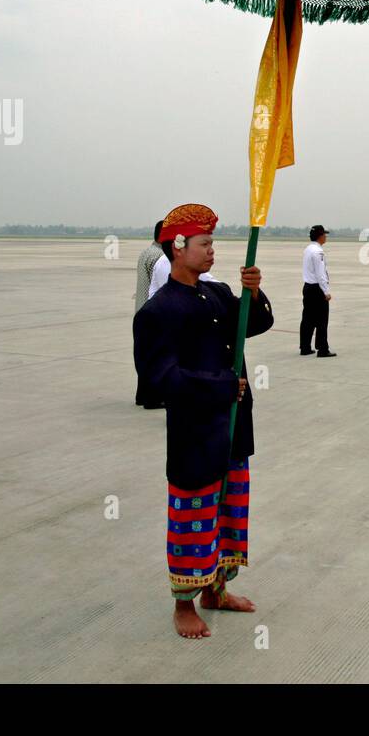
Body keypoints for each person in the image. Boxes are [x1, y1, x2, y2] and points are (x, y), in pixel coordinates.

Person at [133, 203, 274, 640]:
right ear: (178, 248)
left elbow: (258, 324)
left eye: (213, 243)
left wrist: (253, 291)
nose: (212, 251)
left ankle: (216, 591)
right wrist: (219, 388)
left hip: (233, 429)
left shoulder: (216, 294)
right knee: (193, 517)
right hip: (196, 433)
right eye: (205, 243)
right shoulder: (158, 312)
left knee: (229, 515)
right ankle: (183, 604)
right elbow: (159, 379)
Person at [134, 220, 166, 409]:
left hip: (140, 312)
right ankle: (153, 398)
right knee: (156, 357)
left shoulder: (146, 252)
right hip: (153, 314)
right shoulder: (160, 257)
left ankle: (142, 395)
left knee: (144, 356)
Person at [300, 224, 335, 358]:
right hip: (317, 289)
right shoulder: (318, 252)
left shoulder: (308, 249)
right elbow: (321, 274)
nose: (325, 237)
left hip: (308, 287)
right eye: (324, 234)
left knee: (307, 319)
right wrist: (326, 291)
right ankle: (322, 349)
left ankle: (305, 347)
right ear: (320, 236)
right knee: (322, 320)